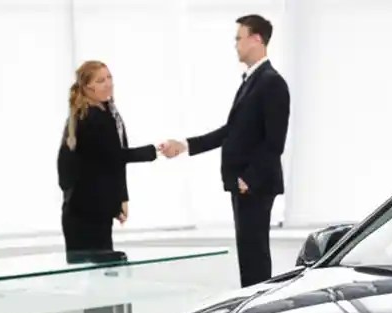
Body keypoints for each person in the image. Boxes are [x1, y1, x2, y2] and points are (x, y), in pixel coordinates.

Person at [161, 14, 290, 287]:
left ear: (256, 39)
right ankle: (252, 310)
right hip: (243, 184)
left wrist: (249, 179)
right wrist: (185, 146)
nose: (235, 45)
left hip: (253, 185)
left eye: (238, 38)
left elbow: (274, 141)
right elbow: (231, 131)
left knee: (254, 257)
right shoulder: (251, 81)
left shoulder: (271, 82)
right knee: (248, 255)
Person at [59, 60, 159, 261]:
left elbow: (111, 164)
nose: (108, 83)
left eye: (109, 77)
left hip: (95, 209)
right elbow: (114, 156)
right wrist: (154, 150)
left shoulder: (108, 112)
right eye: (101, 80)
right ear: (88, 87)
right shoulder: (89, 117)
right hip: (85, 212)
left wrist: (119, 200)